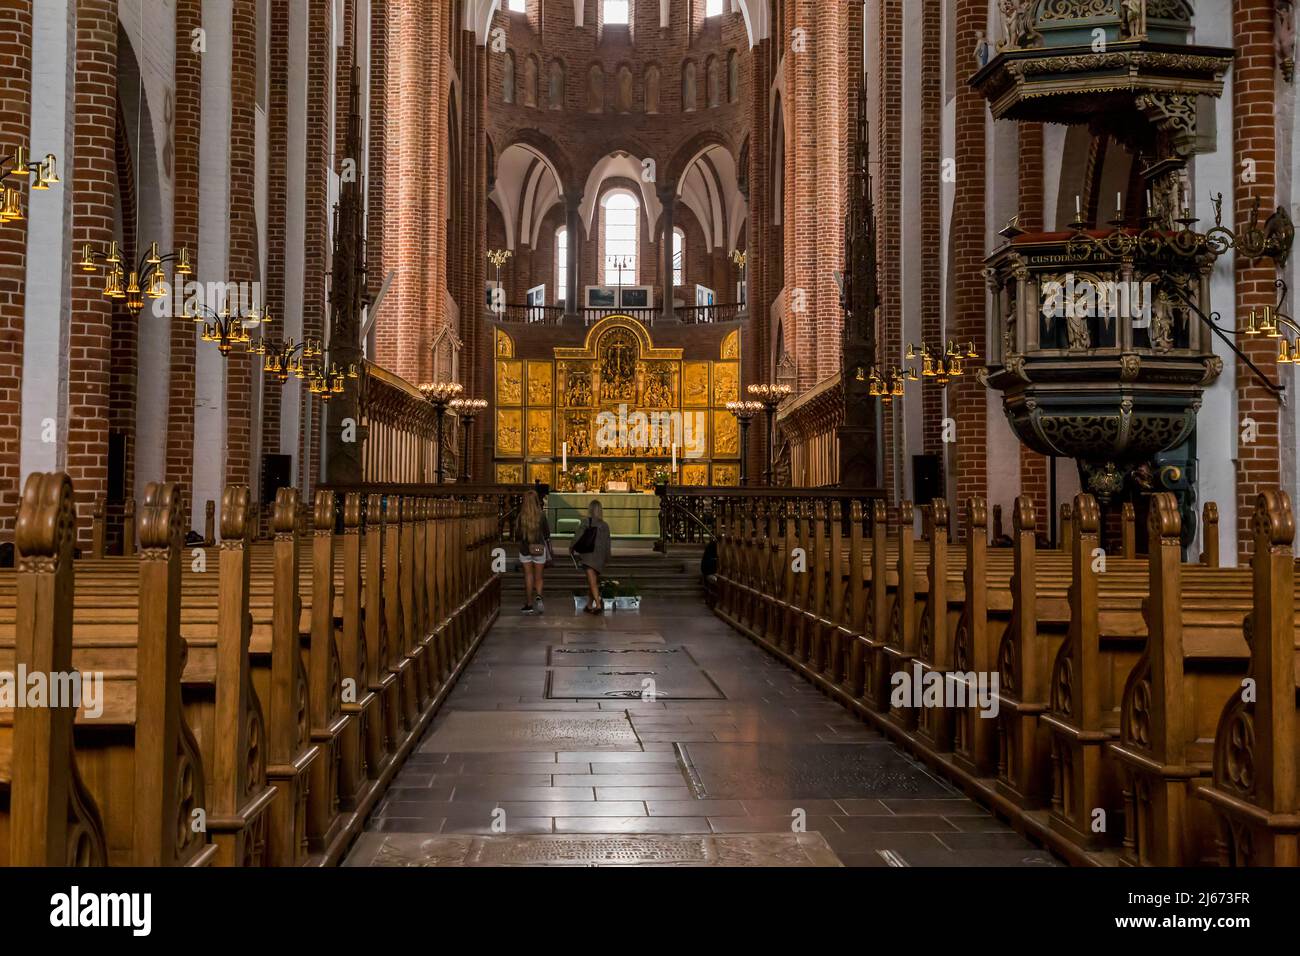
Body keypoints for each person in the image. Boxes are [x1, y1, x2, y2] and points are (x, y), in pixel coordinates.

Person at [572, 499, 612, 614]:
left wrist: (571, 547)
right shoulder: (605, 525)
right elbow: (608, 543)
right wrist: (607, 557)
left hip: (588, 555)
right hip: (599, 556)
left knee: (592, 581)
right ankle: (589, 605)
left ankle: (598, 605)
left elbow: (577, 537)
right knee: (593, 581)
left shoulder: (586, 522)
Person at [515, 490, 551, 614]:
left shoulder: (521, 516)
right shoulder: (542, 515)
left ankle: (529, 604)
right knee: (539, 577)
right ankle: (539, 596)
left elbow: (517, 535)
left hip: (525, 550)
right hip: (539, 549)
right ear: (537, 501)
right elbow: (547, 534)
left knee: (528, 576)